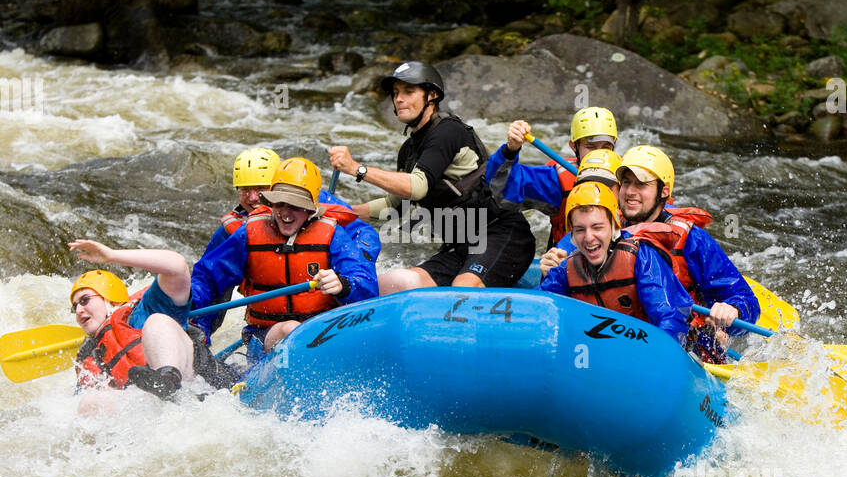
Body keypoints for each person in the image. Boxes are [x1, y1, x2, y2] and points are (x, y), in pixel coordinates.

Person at [328, 61, 535, 293]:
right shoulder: (408, 150)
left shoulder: (448, 132)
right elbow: (395, 207)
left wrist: (357, 169)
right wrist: (340, 213)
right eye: (396, 93)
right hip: (460, 247)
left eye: (408, 91)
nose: (399, 99)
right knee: (392, 283)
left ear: (432, 95)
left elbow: (417, 187)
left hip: (501, 235)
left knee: (462, 289)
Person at [541, 146, 758, 359]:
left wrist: (733, 310)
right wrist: (547, 268)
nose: (630, 192)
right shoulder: (600, 226)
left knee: (714, 333)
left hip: (684, 342)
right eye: (625, 183)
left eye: (641, 184)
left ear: (664, 191)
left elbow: (746, 302)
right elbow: (559, 274)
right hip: (609, 337)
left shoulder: (692, 239)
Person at [190, 157, 379, 357]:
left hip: (322, 332)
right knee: (290, 330)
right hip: (266, 337)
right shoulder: (248, 233)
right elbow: (208, 278)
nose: (286, 214)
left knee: (304, 332)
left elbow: (366, 285)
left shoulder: (333, 234)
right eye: (280, 204)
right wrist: (184, 300)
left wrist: (345, 285)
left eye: (296, 206)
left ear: (311, 208)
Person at [68, 243, 237, 404]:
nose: (79, 310)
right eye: (74, 307)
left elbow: (177, 267)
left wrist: (112, 256)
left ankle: (167, 378)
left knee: (157, 320)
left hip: (201, 385)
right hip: (150, 408)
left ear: (111, 300)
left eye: (85, 300)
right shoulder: (89, 356)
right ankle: (159, 393)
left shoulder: (142, 310)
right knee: (90, 403)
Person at [538, 184, 692, 344]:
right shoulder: (566, 269)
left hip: (643, 349)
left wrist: (658, 354)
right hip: (595, 352)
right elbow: (541, 308)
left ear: (614, 226)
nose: (588, 238)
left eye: (597, 227)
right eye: (579, 230)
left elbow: (669, 317)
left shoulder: (642, 257)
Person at [486, 106, 619, 248]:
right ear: (574, 147)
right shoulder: (556, 180)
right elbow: (499, 190)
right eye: (590, 147)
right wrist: (510, 151)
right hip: (567, 260)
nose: (598, 155)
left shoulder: (627, 178)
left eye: (606, 147)